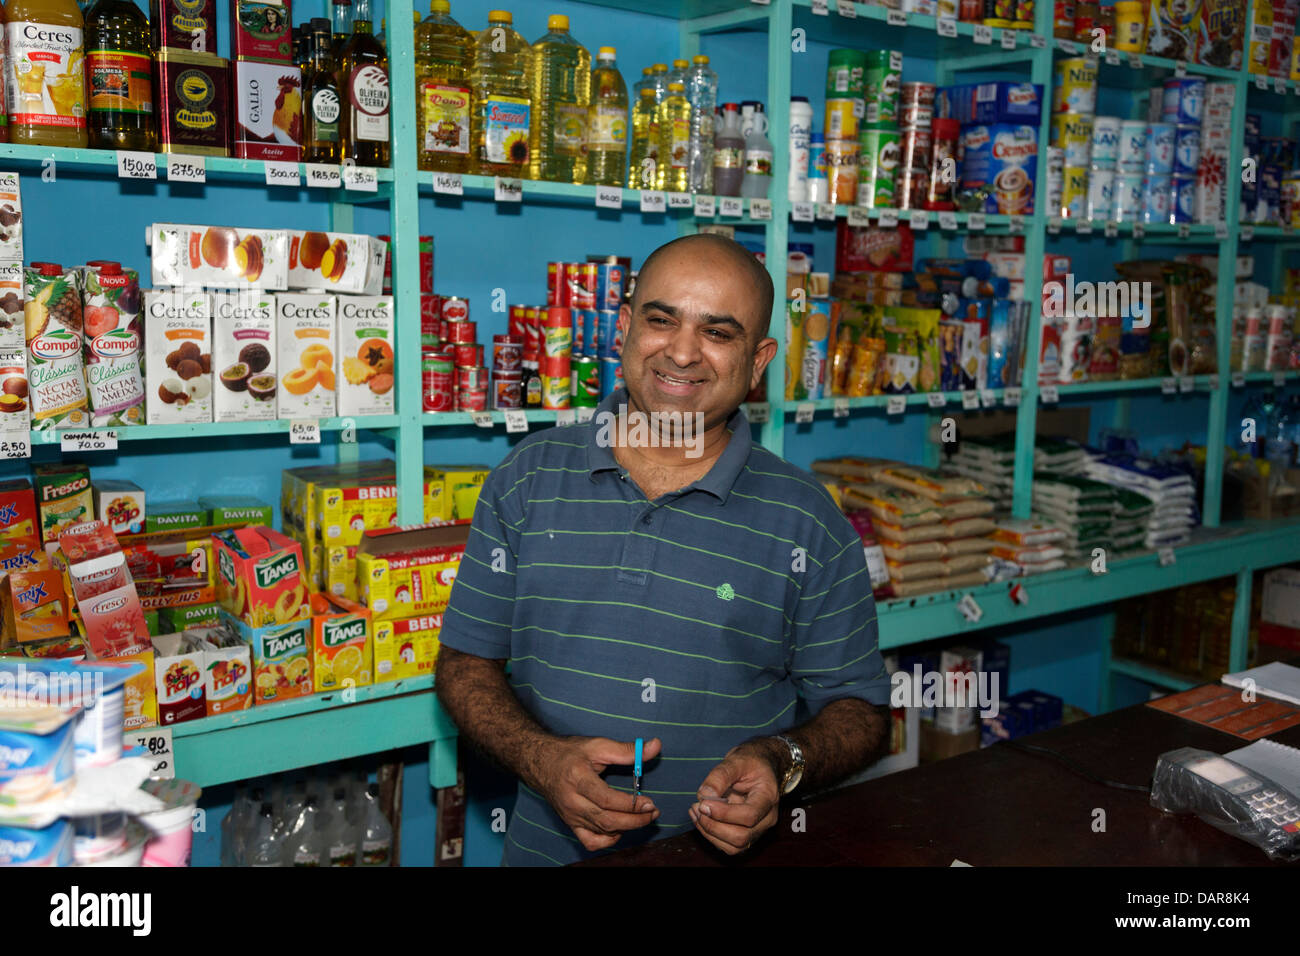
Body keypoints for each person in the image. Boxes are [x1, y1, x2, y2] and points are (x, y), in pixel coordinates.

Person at [435, 233, 891, 867]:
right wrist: (540, 759)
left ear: (758, 362)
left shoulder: (806, 519)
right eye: (661, 319)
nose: (681, 352)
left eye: (718, 332)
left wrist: (780, 760)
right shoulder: (526, 478)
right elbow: (463, 664)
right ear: (623, 327)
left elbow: (863, 710)